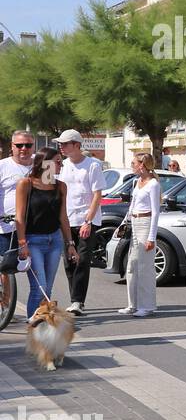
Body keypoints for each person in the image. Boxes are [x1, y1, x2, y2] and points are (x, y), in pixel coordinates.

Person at [14, 146, 78, 323]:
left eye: (61, 162)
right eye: (58, 162)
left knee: (47, 289)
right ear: (45, 163)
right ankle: (33, 329)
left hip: (54, 240)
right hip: (33, 241)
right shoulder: (26, 184)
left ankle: (41, 328)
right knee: (39, 287)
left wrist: (70, 244)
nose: (61, 165)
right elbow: (19, 217)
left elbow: (63, 217)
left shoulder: (61, 186)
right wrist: (22, 243)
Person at [56, 129, 108, 316]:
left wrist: (88, 221)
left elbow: (97, 195)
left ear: (76, 145)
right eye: (60, 144)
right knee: (69, 261)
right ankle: (75, 299)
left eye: (65, 143)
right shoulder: (61, 165)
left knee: (83, 261)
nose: (61, 147)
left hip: (87, 220)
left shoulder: (92, 165)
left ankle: (78, 301)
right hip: (66, 221)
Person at [118, 151, 161, 317]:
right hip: (135, 223)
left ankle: (147, 305)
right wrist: (123, 223)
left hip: (145, 223)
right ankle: (132, 304)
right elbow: (132, 205)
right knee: (132, 265)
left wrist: (151, 237)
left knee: (145, 267)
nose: (132, 166)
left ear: (142, 165)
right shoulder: (137, 181)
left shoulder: (153, 184)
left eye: (134, 163)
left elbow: (155, 212)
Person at [1, 130, 37, 260]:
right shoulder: (2, 166)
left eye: (28, 145)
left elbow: (50, 193)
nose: (24, 148)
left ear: (34, 146)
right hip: (8, 227)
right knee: (7, 268)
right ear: (12, 145)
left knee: (36, 268)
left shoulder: (43, 164)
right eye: (19, 145)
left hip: (37, 227)